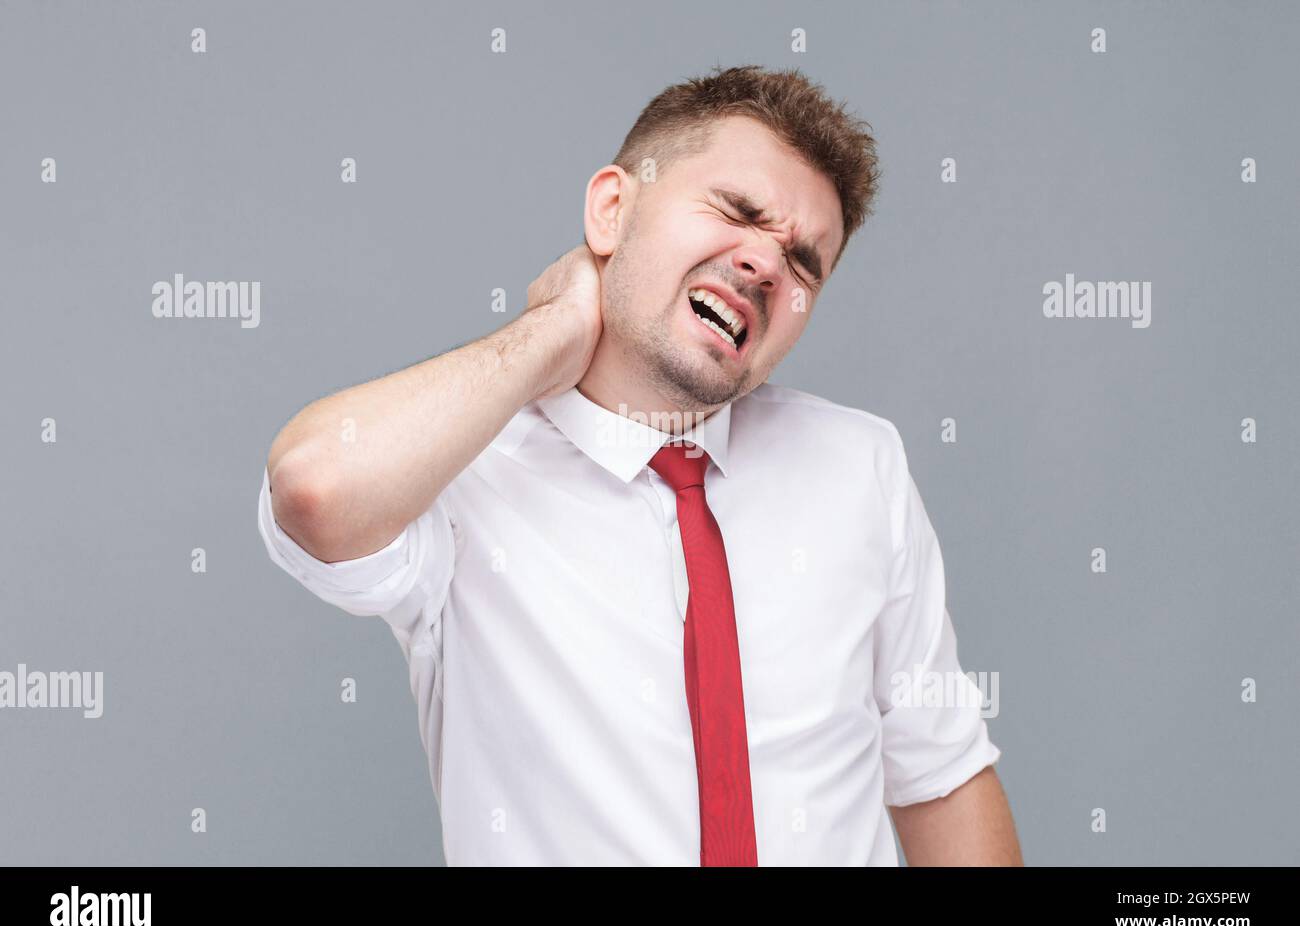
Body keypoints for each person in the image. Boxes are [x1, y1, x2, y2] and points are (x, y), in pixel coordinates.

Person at [257, 65, 1022, 866]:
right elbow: (315, 487)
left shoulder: (860, 467)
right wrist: (556, 328)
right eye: (736, 210)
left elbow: (943, 777)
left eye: (802, 263)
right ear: (612, 209)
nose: (765, 264)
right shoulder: (466, 476)